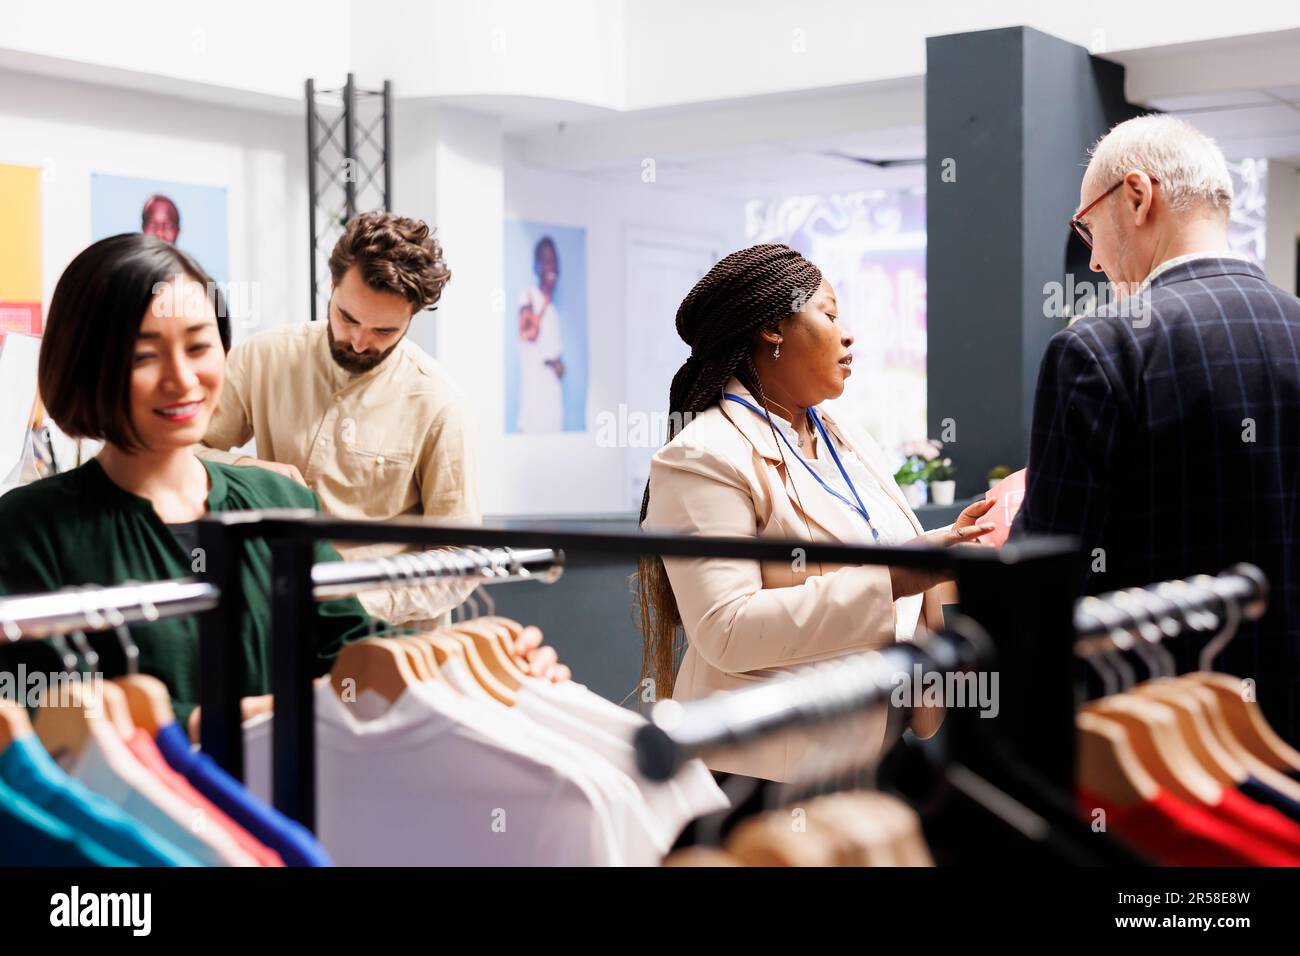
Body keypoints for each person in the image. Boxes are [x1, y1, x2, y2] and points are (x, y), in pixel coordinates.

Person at [0, 234, 566, 737]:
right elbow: (49, 714)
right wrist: (279, 707)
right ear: (85, 364)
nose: (182, 378)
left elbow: (352, 645)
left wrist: (482, 663)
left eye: (199, 346)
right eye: (145, 356)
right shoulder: (28, 530)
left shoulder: (286, 510)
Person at [637, 243, 997, 783]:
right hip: (769, 764)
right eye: (828, 314)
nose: (847, 333)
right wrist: (892, 580)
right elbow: (726, 629)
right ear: (773, 329)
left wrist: (950, 541)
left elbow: (881, 550)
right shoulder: (702, 456)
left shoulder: (840, 434)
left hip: (876, 736)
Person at [1012, 114, 1300, 742]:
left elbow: (1040, 583)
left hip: (1162, 736)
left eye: (1087, 226)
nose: (1091, 259)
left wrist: (1015, 520)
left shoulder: (1101, 348)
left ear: (1137, 196)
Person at [199, 213, 511, 639]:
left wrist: (349, 597)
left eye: (384, 330)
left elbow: (460, 559)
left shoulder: (441, 405)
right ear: (331, 285)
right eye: (347, 318)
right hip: (271, 622)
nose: (360, 341)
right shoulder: (262, 358)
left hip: (389, 645)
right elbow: (182, 454)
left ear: (414, 316)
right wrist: (248, 473)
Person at [515, 236, 565, 433]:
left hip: (553, 398)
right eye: (545, 260)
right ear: (537, 265)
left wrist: (555, 364)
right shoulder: (528, 296)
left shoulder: (553, 311)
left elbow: (560, 366)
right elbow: (529, 333)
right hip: (533, 399)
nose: (551, 266)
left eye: (553, 261)